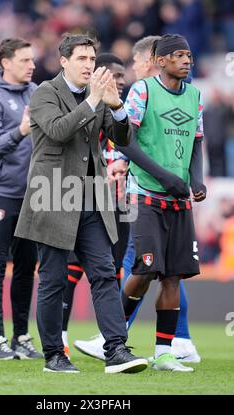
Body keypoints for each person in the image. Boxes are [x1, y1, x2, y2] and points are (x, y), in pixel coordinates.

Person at [15, 33, 148, 374]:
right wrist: (92, 101)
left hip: (91, 198)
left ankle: (116, 349)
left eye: (92, 59)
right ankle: (53, 356)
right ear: (63, 61)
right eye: (82, 59)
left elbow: (122, 139)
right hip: (53, 195)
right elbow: (59, 131)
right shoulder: (45, 92)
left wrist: (116, 106)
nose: (90, 65)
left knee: (104, 274)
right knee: (53, 279)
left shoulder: (100, 96)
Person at [74, 36, 201, 364]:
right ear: (160, 60)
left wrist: (194, 179)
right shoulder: (143, 91)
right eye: (180, 56)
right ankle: (112, 337)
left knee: (173, 274)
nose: (187, 60)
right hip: (145, 195)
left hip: (179, 199)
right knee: (145, 268)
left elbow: (197, 141)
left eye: (189, 55)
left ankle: (165, 352)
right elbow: (124, 139)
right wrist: (165, 176)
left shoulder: (195, 96)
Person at [0, 38, 43, 360]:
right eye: (25, 60)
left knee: (27, 268)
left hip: (32, 195)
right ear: (6, 62)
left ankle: (21, 336)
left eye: (32, 60)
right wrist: (22, 130)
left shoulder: (37, 93)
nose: (31, 65)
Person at [61, 52, 130, 357]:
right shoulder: (78, 102)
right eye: (114, 76)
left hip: (118, 198)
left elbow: (126, 141)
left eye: (123, 78)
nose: (119, 83)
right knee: (71, 267)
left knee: (110, 268)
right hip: (81, 194)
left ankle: (112, 342)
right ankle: (58, 337)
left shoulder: (118, 106)